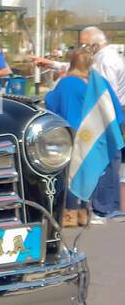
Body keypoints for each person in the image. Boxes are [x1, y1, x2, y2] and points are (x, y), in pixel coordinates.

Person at [45, 48, 124, 225]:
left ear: (72, 63)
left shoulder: (66, 83)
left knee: (71, 174)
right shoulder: (99, 83)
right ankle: (86, 212)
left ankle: (70, 214)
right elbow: (114, 109)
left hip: (72, 133)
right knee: (91, 172)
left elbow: (51, 102)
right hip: (94, 135)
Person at [79, 27, 125, 219]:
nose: (84, 48)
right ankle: (110, 203)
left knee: (106, 159)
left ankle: (105, 205)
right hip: (114, 112)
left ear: (95, 44)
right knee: (111, 159)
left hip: (109, 113)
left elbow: (107, 93)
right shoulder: (108, 57)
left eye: (85, 45)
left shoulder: (105, 60)